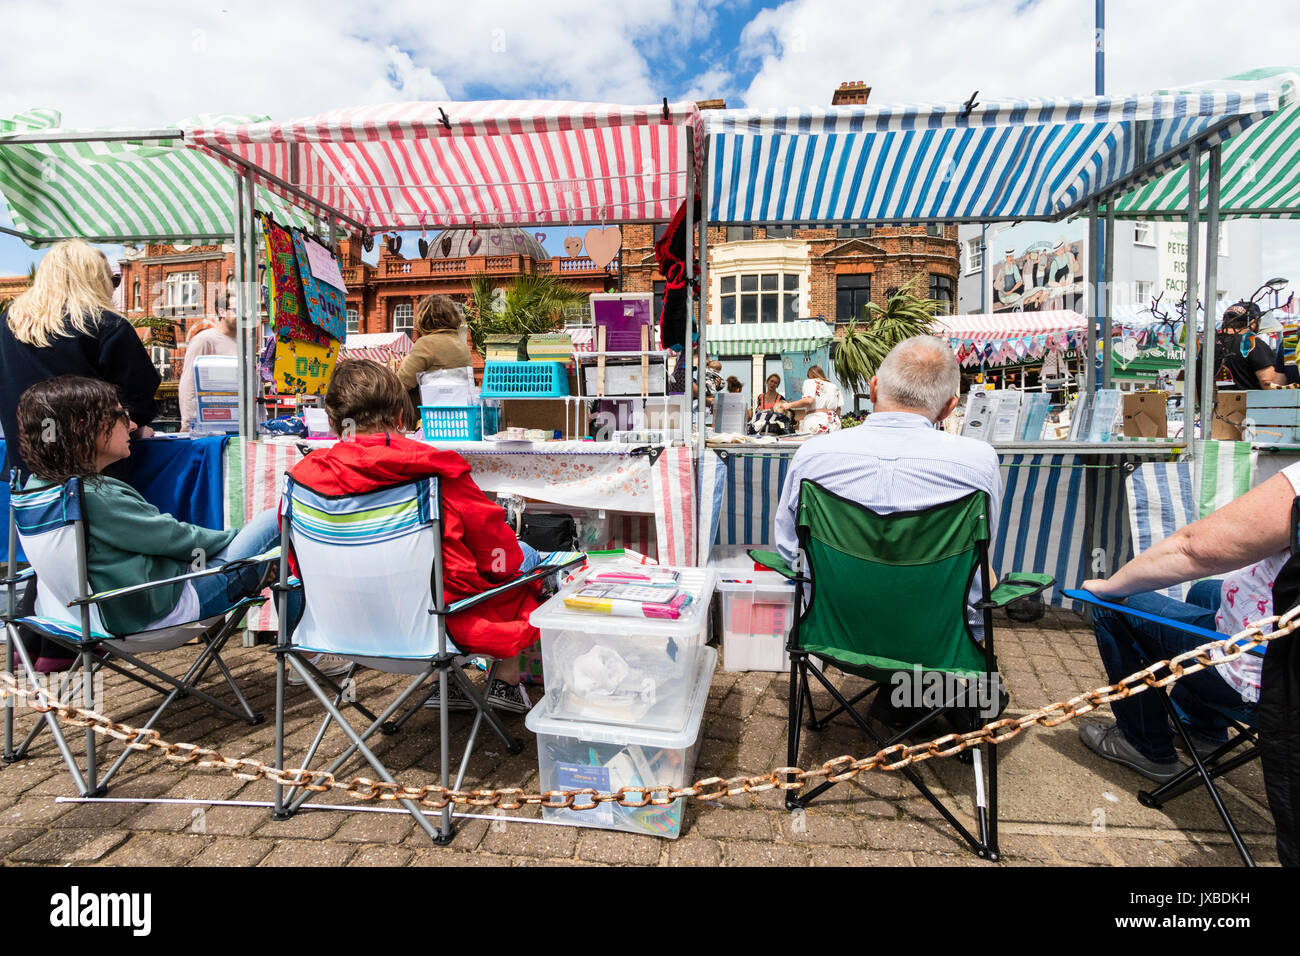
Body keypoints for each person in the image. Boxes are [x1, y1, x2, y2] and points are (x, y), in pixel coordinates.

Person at [13, 376, 323, 670]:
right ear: (83, 428)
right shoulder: (92, 494)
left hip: (80, 620)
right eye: (121, 416)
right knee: (281, 517)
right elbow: (176, 539)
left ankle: (293, 625)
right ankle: (307, 650)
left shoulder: (37, 490)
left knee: (267, 553)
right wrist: (243, 543)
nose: (132, 425)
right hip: (156, 616)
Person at [288, 360, 543, 713]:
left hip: (335, 629)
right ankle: (506, 682)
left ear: (332, 421)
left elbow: (296, 563)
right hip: (435, 632)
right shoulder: (436, 469)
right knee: (524, 558)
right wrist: (513, 562)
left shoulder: (303, 478)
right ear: (397, 412)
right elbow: (496, 552)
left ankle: (450, 683)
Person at [1078, 466, 1300, 865]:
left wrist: (1109, 586)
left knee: (1113, 607)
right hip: (1276, 644)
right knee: (1204, 591)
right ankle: (1202, 727)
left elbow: (1195, 549)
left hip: (1270, 676)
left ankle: (1145, 745)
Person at [776, 337, 1001, 619]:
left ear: (873, 389)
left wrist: (833, 584)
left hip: (835, 625)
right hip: (939, 633)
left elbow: (789, 546)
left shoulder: (812, 454)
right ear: (949, 407)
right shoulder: (980, 461)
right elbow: (979, 549)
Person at [0, 240, 159, 479]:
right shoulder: (107, 325)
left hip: (26, 467)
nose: (114, 288)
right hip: (94, 471)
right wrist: (134, 425)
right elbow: (139, 397)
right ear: (95, 280)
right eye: (112, 280)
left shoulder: (9, 324)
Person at [396, 294, 474, 412]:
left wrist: (404, 363)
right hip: (460, 413)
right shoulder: (462, 345)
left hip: (431, 415)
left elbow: (402, 384)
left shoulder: (426, 343)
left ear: (424, 318)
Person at [178, 301, 238, 430]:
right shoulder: (204, 340)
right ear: (221, 311)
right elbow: (189, 381)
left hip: (237, 422)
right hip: (210, 425)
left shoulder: (244, 343)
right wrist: (187, 424)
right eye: (236, 309)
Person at [1219, 302, 1284, 389]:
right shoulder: (1252, 343)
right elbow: (1267, 381)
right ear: (1252, 323)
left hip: (1209, 401)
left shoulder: (1208, 344)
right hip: (1247, 401)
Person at [776, 365, 842, 435]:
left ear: (810, 375)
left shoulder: (810, 382)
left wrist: (789, 405)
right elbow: (838, 410)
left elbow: (809, 400)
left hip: (816, 421)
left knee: (813, 445)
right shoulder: (834, 386)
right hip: (834, 422)